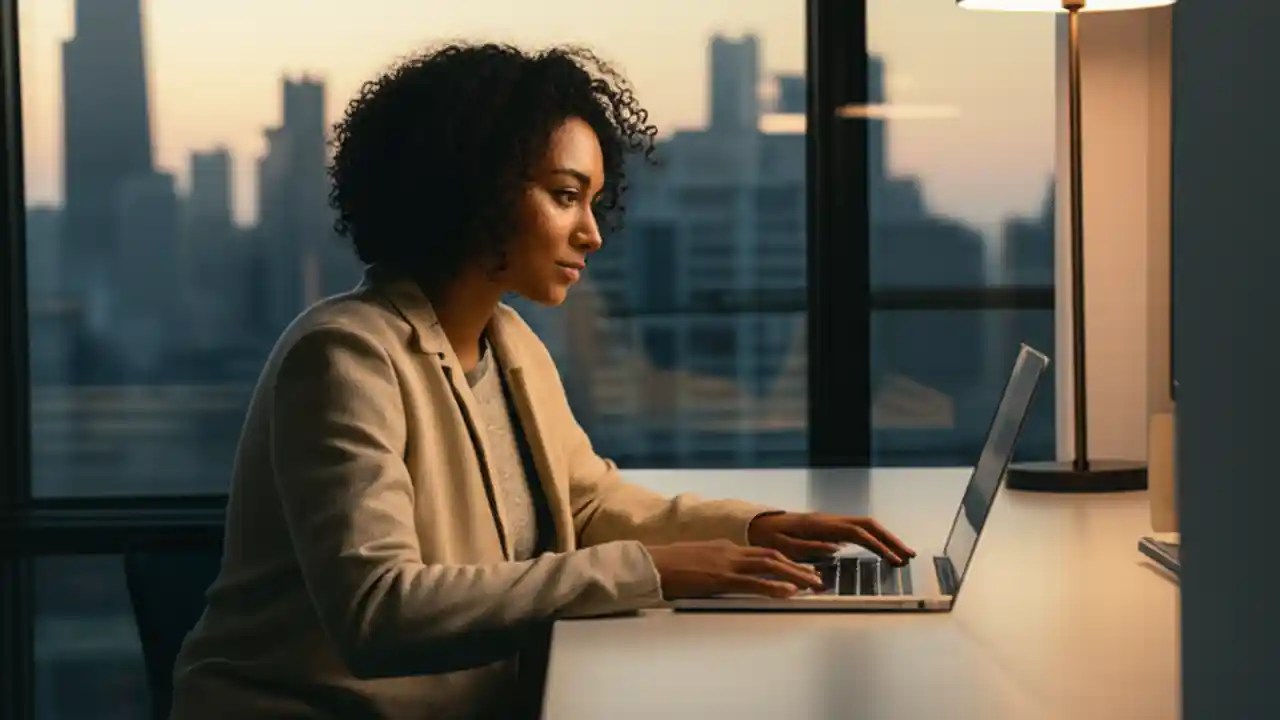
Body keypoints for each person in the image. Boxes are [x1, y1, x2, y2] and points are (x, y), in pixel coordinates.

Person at [169, 42, 915, 720]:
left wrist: (750, 529)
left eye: (593, 200)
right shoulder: (344, 358)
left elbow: (586, 502)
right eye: (565, 196)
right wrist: (650, 571)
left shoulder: (510, 341)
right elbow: (379, 612)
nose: (592, 231)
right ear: (477, 190)